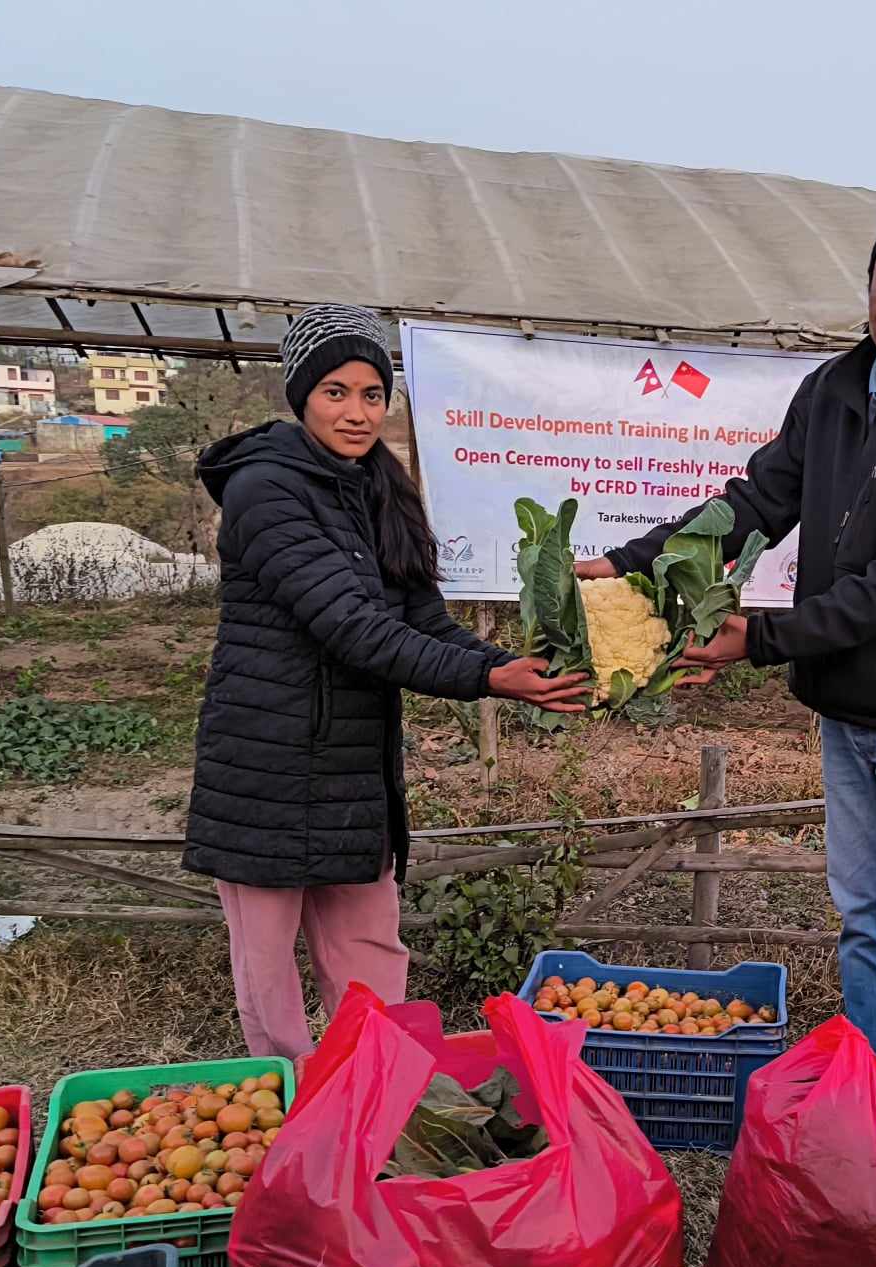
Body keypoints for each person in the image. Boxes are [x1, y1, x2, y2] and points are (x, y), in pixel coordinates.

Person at [577, 200, 876, 1060]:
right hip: (843, 706)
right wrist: (631, 562)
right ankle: (863, 1092)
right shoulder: (831, 392)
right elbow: (754, 504)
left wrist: (761, 639)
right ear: (869, 284)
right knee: (860, 920)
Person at [185, 303, 588, 1059]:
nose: (357, 412)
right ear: (300, 395)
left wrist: (505, 664)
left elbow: (419, 617)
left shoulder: (378, 488)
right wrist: (488, 680)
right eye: (336, 391)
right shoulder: (263, 490)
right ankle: (294, 1122)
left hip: (350, 767)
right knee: (268, 975)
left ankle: (375, 1096)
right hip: (263, 767)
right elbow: (353, 629)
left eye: (373, 394)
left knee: (371, 949)